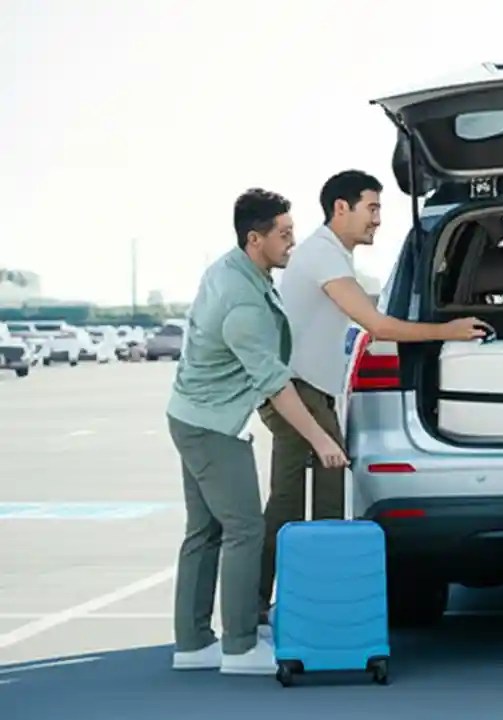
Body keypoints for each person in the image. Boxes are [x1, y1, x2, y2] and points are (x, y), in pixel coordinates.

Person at [257, 170, 491, 620]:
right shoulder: (324, 255)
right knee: (293, 502)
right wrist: (450, 330)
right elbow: (379, 326)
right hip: (296, 392)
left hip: (313, 391)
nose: (378, 220)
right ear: (340, 208)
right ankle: (260, 611)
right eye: (373, 208)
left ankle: (311, 603)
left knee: (323, 500)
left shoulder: (331, 256)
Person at [167, 188, 349, 676]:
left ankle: (193, 644)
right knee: (244, 529)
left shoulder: (235, 269)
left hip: (191, 415)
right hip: (210, 427)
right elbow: (277, 385)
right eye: (284, 235)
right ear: (255, 238)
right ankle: (241, 647)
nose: (293, 242)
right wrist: (322, 439)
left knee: (204, 531)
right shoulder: (242, 303)